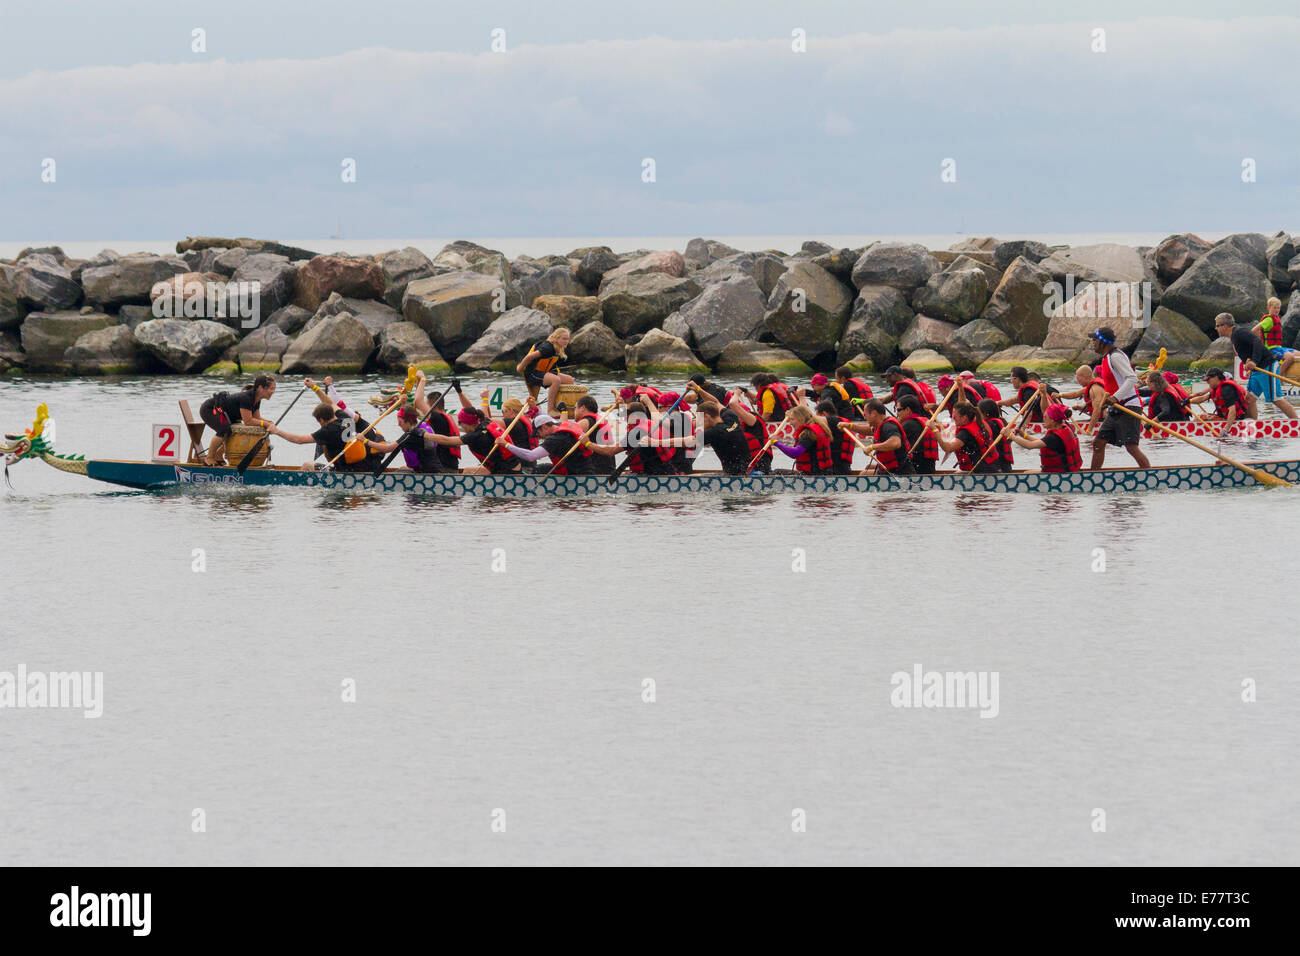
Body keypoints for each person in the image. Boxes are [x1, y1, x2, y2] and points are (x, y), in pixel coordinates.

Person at [1084, 327, 1150, 469]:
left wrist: (1115, 397)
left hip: (1128, 406)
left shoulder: (1115, 356)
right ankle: (1093, 477)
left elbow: (1131, 378)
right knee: (1098, 443)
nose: (1093, 343)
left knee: (1131, 446)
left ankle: (1149, 475)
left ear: (1103, 342)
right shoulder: (1107, 357)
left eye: (1094, 340)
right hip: (1118, 408)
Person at [1215, 312, 1299, 420]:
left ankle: (1296, 423)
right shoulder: (1234, 336)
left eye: (1217, 325)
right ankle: (1253, 426)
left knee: (1276, 399)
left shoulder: (1239, 333)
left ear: (1225, 326)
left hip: (1267, 366)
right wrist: (1249, 364)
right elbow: (1249, 350)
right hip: (1257, 370)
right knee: (1249, 399)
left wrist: (1254, 361)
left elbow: (1257, 342)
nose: (1216, 328)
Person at [498, 413, 621, 475]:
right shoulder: (563, 426)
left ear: (545, 426)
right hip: (586, 470)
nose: (540, 437)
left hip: (578, 476)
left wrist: (506, 445)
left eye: (539, 433)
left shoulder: (556, 439)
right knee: (542, 468)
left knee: (535, 471)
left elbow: (531, 456)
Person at [269, 401, 376, 472]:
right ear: (333, 414)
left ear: (320, 419)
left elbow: (299, 440)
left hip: (345, 472)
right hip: (364, 467)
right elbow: (332, 403)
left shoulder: (327, 431)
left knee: (307, 465)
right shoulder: (346, 419)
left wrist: (277, 431)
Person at [199, 374, 277, 465]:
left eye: (274, 388)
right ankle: (209, 458)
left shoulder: (257, 399)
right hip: (210, 409)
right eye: (271, 388)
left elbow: (257, 418)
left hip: (224, 414)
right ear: (260, 388)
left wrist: (269, 422)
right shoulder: (247, 398)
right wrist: (266, 424)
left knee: (232, 428)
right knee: (224, 429)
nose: (273, 391)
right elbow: (248, 421)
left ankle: (218, 455)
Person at [1003, 403, 1083, 472]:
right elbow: (1041, 442)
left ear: (1052, 420)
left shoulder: (1054, 437)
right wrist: (1023, 435)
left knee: (1026, 473)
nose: (1043, 419)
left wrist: (1010, 435)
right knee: (1028, 472)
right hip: (1065, 470)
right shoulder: (1063, 429)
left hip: (1059, 474)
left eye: (1045, 417)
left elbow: (1029, 445)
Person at [361, 405, 442, 473]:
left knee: (398, 473)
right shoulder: (424, 426)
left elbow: (387, 449)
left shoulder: (410, 435)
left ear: (408, 421)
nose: (398, 425)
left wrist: (365, 440)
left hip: (425, 474)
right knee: (402, 468)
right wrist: (403, 403)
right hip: (436, 469)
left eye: (400, 422)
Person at [517, 327, 573, 416]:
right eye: (564, 339)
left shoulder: (558, 347)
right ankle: (550, 410)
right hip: (532, 373)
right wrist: (520, 367)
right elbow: (530, 356)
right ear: (556, 338)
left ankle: (561, 406)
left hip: (543, 372)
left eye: (567, 339)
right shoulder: (548, 347)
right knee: (556, 380)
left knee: (569, 380)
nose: (566, 341)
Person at [930, 401, 993, 473]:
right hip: (990, 467)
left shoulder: (965, 433)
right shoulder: (978, 422)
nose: (953, 419)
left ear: (964, 418)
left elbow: (948, 448)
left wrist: (934, 430)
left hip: (980, 473)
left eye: (954, 416)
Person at [697, 401, 756, 475]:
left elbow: (687, 442)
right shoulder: (731, 416)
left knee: (692, 476)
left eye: (699, 419)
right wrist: (699, 390)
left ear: (706, 416)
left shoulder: (714, 432)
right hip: (748, 471)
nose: (699, 423)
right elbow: (716, 402)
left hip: (733, 476)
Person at [772, 405, 834, 473]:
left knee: (776, 472)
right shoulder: (819, 426)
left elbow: (795, 453)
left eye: (792, 419)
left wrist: (776, 442)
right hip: (824, 472)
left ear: (801, 419)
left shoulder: (808, 434)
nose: (790, 423)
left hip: (813, 474)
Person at [859, 399, 914, 475]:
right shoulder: (880, 426)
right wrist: (849, 426)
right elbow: (868, 430)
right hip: (891, 470)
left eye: (865, 414)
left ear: (874, 413)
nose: (864, 417)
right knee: (867, 470)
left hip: (900, 473)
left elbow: (896, 443)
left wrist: (871, 447)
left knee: (863, 474)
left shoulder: (888, 426)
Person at [1251, 297, 1298, 377]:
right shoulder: (1268, 320)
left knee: (1298, 354)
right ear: (1269, 307)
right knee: (1290, 357)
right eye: (1274, 307)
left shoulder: (1276, 318)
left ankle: (1293, 374)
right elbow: (1254, 330)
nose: (1277, 310)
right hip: (1270, 349)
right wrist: (1262, 338)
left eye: (1278, 308)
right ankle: (1280, 375)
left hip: (1279, 347)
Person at [815, 399, 862, 474]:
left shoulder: (834, 421)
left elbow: (811, 419)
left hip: (837, 470)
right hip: (842, 467)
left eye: (817, 415)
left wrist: (801, 398)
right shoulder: (841, 421)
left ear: (823, 414)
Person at [896, 396, 939, 474]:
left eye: (899, 410)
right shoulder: (923, 421)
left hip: (917, 471)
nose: (897, 413)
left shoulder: (908, 424)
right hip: (929, 468)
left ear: (908, 410)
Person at [573, 395, 615, 475]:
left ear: (582, 408)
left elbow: (565, 436)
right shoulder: (601, 419)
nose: (574, 411)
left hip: (595, 469)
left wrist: (563, 413)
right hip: (609, 467)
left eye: (575, 408)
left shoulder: (586, 421)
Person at [978, 398, 1014, 472]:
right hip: (1005, 465)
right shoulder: (1001, 422)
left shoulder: (990, 425)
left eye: (979, 412)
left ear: (986, 414)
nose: (977, 415)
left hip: (997, 466)